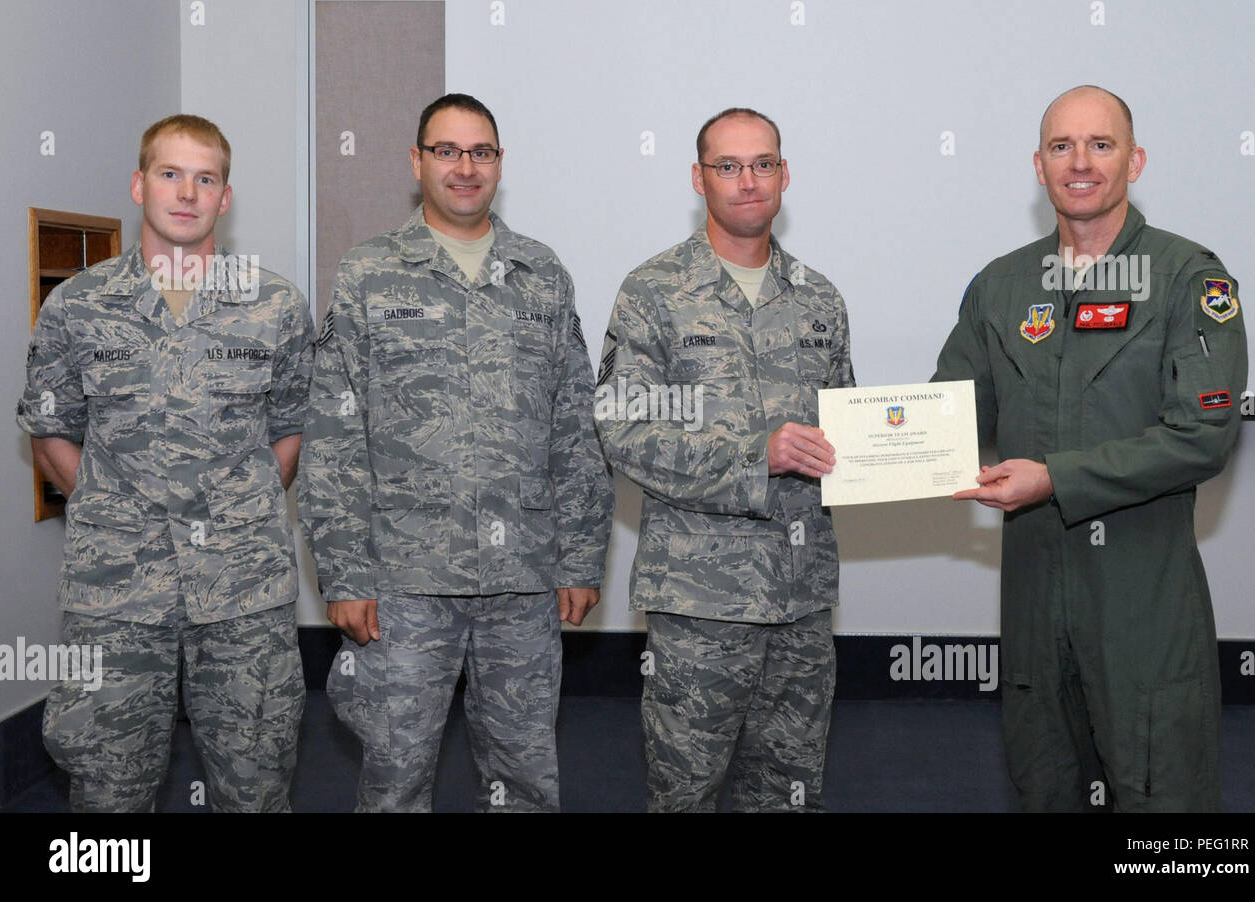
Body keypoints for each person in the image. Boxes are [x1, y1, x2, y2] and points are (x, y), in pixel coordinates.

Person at [933, 85, 1247, 812]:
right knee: (1044, 788)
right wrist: (852, 445)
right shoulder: (1002, 286)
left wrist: (1056, 479)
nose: (1081, 163)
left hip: (1142, 607)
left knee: (1162, 807)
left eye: (1100, 145)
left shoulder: (1188, 278)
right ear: (1037, 166)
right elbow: (944, 416)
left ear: (1134, 160)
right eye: (1061, 147)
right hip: (1035, 608)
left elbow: (1201, 436)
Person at [300, 93, 613, 812]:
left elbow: (573, 423)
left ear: (500, 163)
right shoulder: (370, 274)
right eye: (447, 151)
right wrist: (344, 573)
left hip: (524, 580)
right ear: (417, 162)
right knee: (395, 773)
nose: (465, 168)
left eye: (481, 152)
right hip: (405, 579)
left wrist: (580, 557)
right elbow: (334, 436)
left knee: (526, 775)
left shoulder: (541, 273)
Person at [17, 114, 314, 812]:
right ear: (139, 183)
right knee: (107, 787)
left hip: (245, 594)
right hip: (116, 594)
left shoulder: (274, 305)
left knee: (257, 780)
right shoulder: (77, 306)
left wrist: (244, 509)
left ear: (225, 197)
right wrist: (107, 509)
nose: (187, 192)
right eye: (170, 173)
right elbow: (51, 430)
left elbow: (293, 426)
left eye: (205, 178)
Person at [596, 108, 854, 812]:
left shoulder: (820, 299)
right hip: (699, 605)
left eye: (763, 164)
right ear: (698, 178)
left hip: (801, 601)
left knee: (789, 794)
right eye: (729, 166)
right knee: (686, 794)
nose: (749, 182)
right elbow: (621, 431)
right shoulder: (654, 292)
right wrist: (755, 455)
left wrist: (904, 454)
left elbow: (845, 427)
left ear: (785, 175)